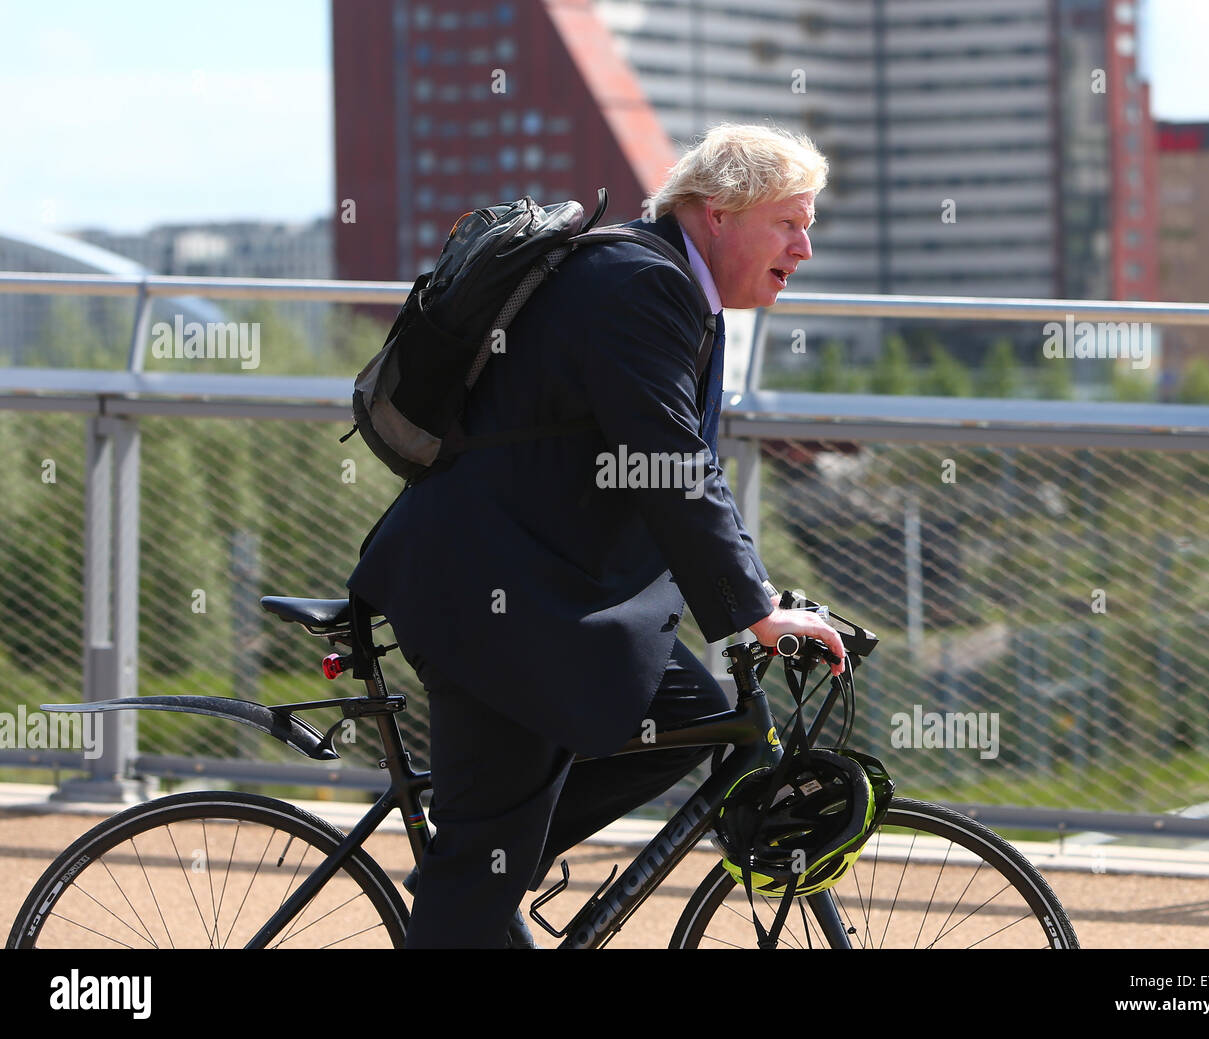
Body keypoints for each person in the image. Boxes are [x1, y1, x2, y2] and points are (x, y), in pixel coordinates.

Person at [348, 122, 847, 948]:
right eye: (791, 222)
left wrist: (756, 593)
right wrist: (755, 609)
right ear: (719, 214)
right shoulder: (640, 286)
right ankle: (472, 873)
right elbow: (669, 465)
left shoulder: (660, 281)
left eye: (810, 225)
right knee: (476, 878)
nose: (805, 245)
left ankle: (478, 861)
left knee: (694, 716)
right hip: (494, 604)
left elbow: (677, 469)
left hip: (536, 593)